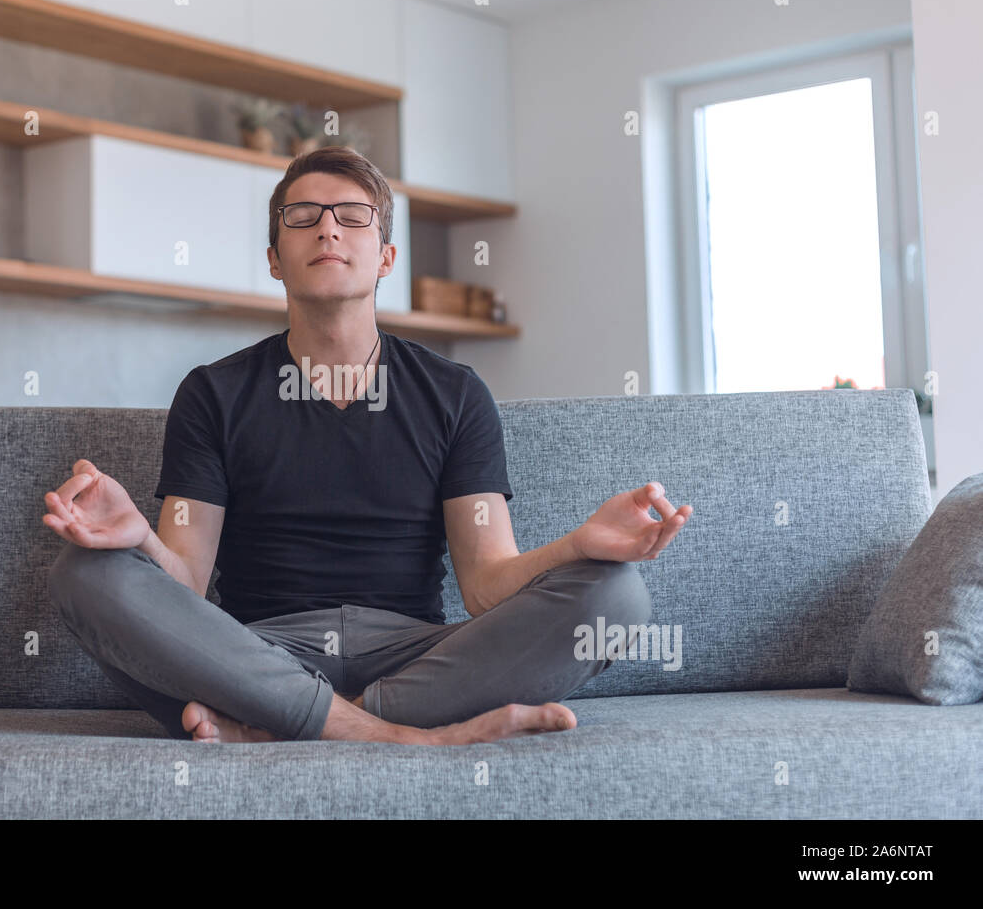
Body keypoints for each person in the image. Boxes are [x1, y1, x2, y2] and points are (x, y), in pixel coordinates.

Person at [42, 147, 691, 744]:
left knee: (617, 597)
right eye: (303, 217)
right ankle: (397, 736)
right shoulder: (214, 393)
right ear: (273, 257)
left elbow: (488, 585)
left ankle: (285, 725)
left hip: (418, 654)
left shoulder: (455, 394)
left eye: (352, 217)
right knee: (85, 574)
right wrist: (140, 542)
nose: (327, 229)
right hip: (257, 653)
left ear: (385, 257)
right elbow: (183, 582)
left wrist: (579, 547)